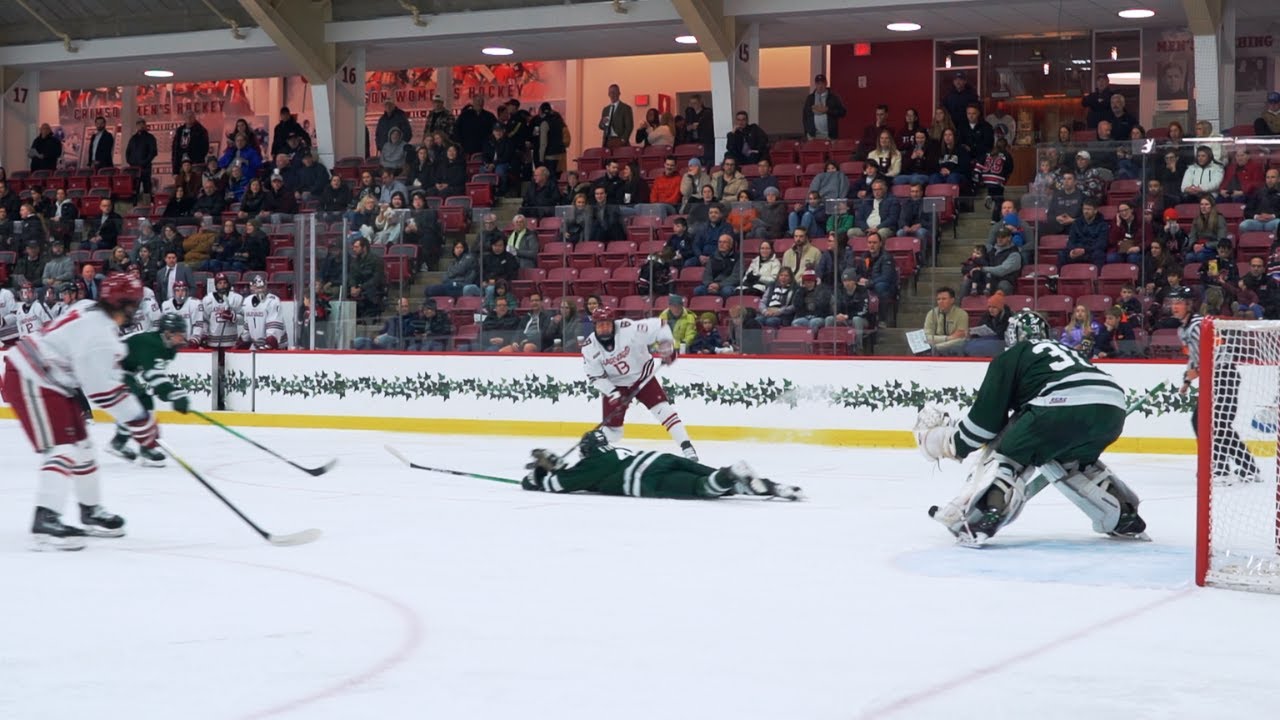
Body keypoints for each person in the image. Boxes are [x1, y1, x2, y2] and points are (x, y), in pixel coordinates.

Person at [913, 310, 1147, 547]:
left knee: (1011, 452)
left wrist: (949, 443)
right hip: (1112, 408)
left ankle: (985, 515)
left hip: (1058, 405)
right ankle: (1124, 515)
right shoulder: (1065, 351)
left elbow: (984, 426)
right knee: (1075, 463)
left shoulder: (1012, 356)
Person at [0, 273, 157, 549]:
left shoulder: (88, 309)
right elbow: (101, 391)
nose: (136, 310)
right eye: (133, 304)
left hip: (52, 379)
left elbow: (92, 363)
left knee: (83, 446)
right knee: (62, 449)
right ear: (122, 304)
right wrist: (139, 421)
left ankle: (90, 510)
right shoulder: (100, 334)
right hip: (31, 377)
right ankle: (46, 520)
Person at [522, 430, 801, 500]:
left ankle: (730, 475)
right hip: (660, 458)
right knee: (712, 477)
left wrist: (536, 476)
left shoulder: (592, 464)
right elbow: (577, 476)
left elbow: (559, 485)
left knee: (702, 488)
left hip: (649, 479)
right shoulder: (615, 452)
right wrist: (557, 464)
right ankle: (771, 486)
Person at [1172, 286, 1262, 483]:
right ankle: (1223, 467)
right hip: (1210, 378)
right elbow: (1194, 356)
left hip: (1224, 375)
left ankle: (1238, 468)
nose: (1174, 306)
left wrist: (1200, 370)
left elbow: (1216, 352)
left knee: (1219, 424)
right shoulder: (1182, 329)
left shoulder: (1199, 325)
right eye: (1173, 302)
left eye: (1178, 302)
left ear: (1189, 305)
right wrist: (1187, 379)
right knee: (1202, 422)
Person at [582, 306, 697, 460]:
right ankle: (593, 455)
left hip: (643, 376)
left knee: (664, 411)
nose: (604, 328)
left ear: (613, 322)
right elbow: (596, 377)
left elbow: (660, 325)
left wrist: (666, 345)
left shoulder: (628, 329)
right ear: (594, 325)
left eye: (607, 324)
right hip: (616, 385)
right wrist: (613, 393)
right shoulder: (589, 347)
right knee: (614, 433)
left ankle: (687, 447)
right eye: (600, 324)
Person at [103, 312, 191, 467]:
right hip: (108, 368)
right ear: (168, 333)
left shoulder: (168, 347)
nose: (182, 337)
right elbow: (154, 374)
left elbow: (149, 370)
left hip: (121, 370)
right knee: (138, 402)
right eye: (179, 333)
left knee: (142, 402)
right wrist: (172, 394)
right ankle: (145, 447)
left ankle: (120, 443)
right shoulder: (152, 343)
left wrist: (165, 391)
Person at [238, 275, 287, 350]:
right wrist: (243, 340)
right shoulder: (247, 302)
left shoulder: (273, 301)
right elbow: (247, 324)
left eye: (262, 287)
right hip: (257, 346)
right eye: (257, 287)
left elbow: (274, 325)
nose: (260, 290)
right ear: (251, 288)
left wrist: (269, 341)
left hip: (276, 346)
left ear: (266, 286)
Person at [922, 287, 967, 356]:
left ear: (952, 300)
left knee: (962, 341)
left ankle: (936, 349)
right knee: (921, 341)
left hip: (952, 346)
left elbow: (960, 336)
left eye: (944, 299)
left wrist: (938, 345)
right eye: (938, 299)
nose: (940, 301)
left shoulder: (962, 314)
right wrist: (948, 338)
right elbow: (927, 336)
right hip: (942, 342)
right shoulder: (931, 313)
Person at [802, 73, 847, 140]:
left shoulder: (833, 98)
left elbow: (842, 112)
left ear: (826, 83)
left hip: (829, 135)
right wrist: (807, 131)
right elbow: (805, 116)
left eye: (822, 83)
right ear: (815, 84)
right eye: (818, 83)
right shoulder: (810, 98)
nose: (820, 86)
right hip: (812, 136)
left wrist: (827, 110)